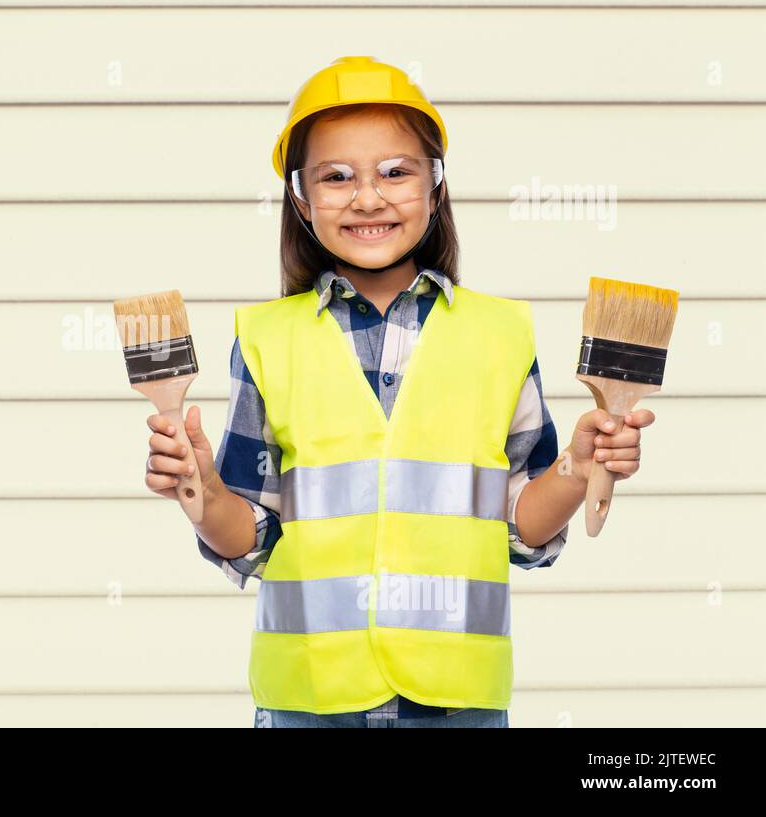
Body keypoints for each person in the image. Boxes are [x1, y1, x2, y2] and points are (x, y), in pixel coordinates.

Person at [143, 56, 654, 728]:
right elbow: (251, 537)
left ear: (436, 186)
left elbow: (523, 526)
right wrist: (204, 485)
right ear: (300, 199)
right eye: (336, 177)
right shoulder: (265, 338)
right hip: (308, 700)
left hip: (458, 699)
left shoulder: (500, 333)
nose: (367, 197)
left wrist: (577, 467)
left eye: (395, 172)